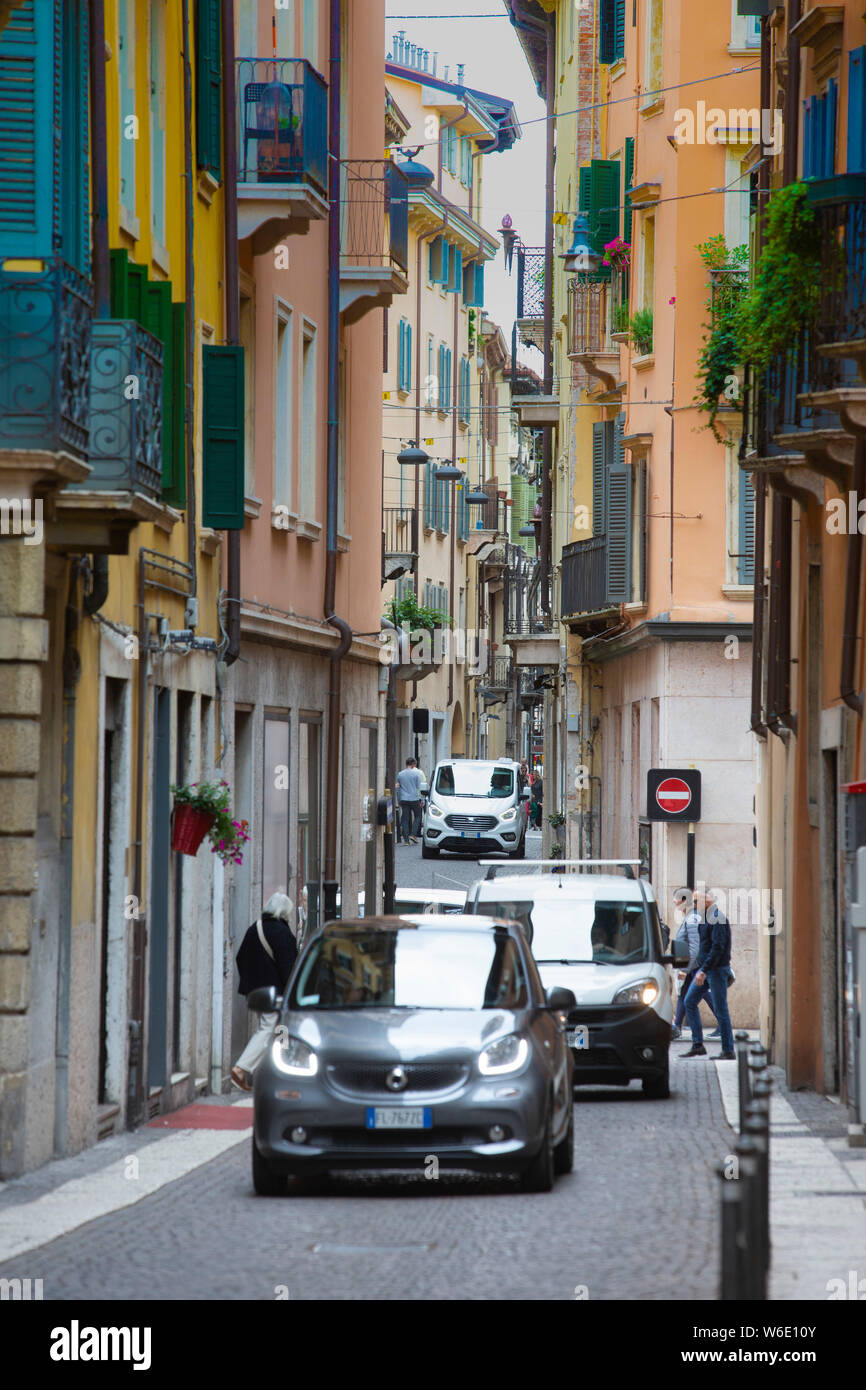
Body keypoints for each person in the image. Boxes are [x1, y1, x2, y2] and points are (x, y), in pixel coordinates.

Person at [230, 892, 298, 1090]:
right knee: (271, 1028)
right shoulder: (282, 933)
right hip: (277, 994)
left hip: (256, 993)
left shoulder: (254, 928)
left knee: (277, 1029)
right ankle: (241, 1068)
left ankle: (274, 1072)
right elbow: (289, 968)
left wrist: (252, 983)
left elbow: (240, 957)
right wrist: (291, 992)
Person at [681, 889, 735, 1060]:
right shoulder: (705, 918)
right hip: (706, 969)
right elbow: (704, 947)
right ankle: (698, 1045)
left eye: (696, 901)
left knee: (720, 1009)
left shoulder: (717, 918)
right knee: (689, 1001)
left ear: (708, 900)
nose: (694, 905)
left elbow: (717, 948)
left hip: (716, 970)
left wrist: (703, 970)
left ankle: (728, 1050)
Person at [671, 889, 718, 1041]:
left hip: (695, 965)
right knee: (685, 994)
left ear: (684, 901)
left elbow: (694, 946)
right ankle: (677, 1026)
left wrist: (685, 969)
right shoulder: (690, 917)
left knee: (700, 994)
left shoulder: (692, 918)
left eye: (676, 901)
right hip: (693, 965)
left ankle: (723, 1023)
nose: (675, 904)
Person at [396, 756, 424, 845]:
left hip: (404, 799)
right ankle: (413, 834)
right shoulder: (417, 774)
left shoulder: (400, 774)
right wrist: (422, 799)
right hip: (414, 798)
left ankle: (406, 840)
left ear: (406, 764)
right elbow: (420, 788)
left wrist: (399, 799)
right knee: (418, 816)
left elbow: (398, 788)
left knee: (405, 819)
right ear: (413, 764)